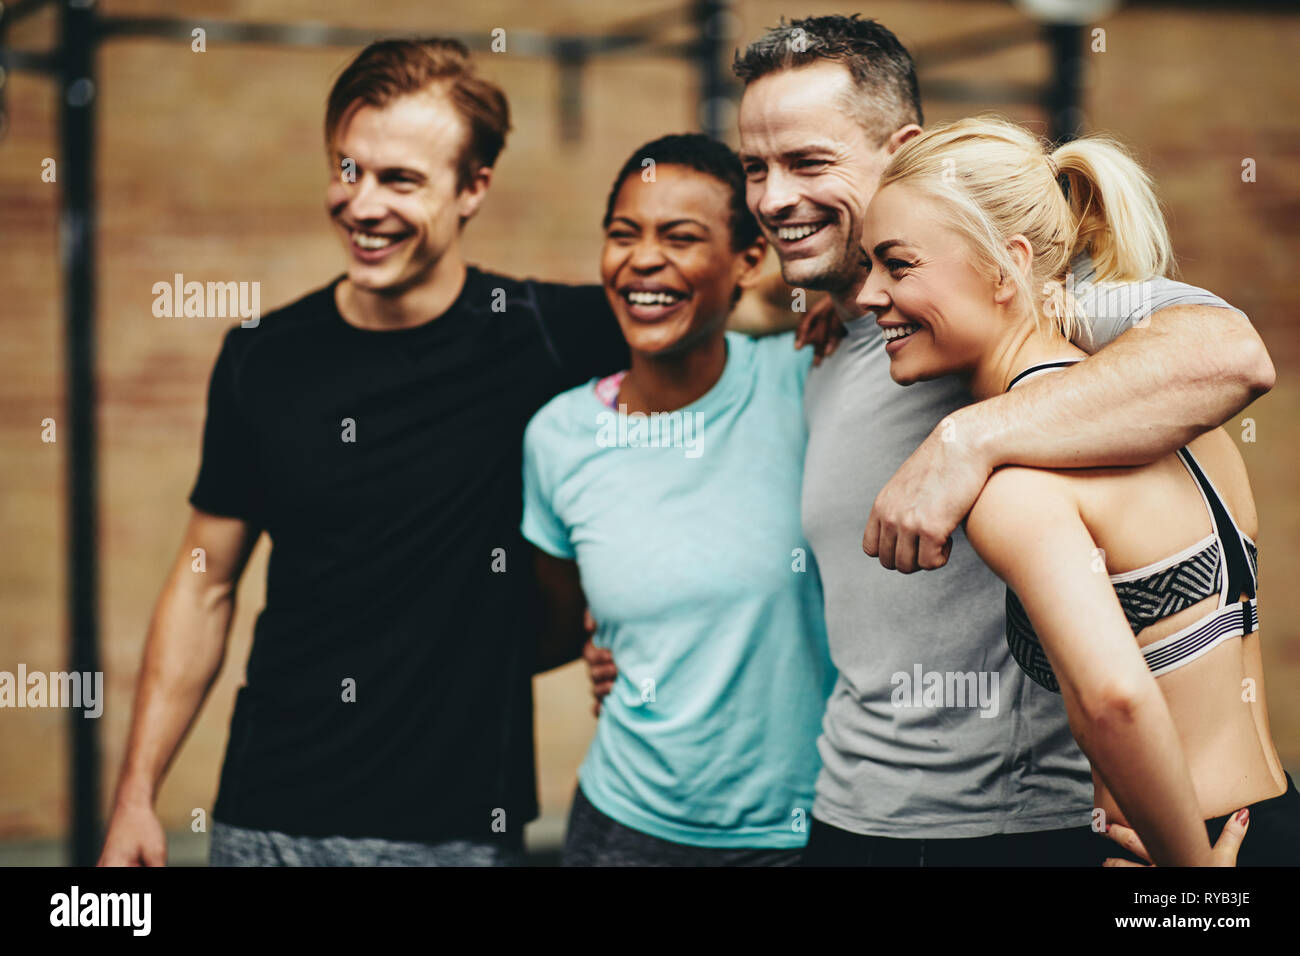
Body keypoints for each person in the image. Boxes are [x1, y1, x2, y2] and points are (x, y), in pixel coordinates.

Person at [590, 14, 1274, 866]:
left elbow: (1230, 353)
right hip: (849, 814)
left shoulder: (1016, 304)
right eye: (756, 169)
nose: (770, 199)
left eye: (808, 162)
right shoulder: (843, 328)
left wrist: (968, 439)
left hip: (1010, 830)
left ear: (904, 150)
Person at [96, 37, 638, 868]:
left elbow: (732, 310)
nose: (363, 204)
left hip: (457, 828)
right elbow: (204, 581)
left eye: (401, 180)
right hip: (267, 815)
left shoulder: (545, 333)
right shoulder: (262, 357)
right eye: (348, 170)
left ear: (473, 189)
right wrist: (136, 797)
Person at [855, 114, 1297, 865]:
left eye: (897, 266)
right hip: (1270, 816)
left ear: (1007, 265)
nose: (869, 293)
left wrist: (1193, 890)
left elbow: (1113, 700)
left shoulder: (1015, 484)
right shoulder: (1179, 425)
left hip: (1179, 849)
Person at [523, 134, 835, 866]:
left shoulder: (807, 382)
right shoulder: (560, 435)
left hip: (804, 834)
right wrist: (606, 641)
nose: (643, 258)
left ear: (749, 261)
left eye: (681, 237)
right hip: (623, 832)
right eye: (623, 234)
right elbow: (560, 624)